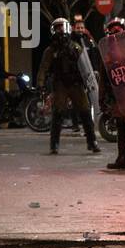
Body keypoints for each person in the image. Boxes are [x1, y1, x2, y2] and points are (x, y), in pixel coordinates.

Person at [36, 17, 100, 155]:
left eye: (61, 27)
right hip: (60, 85)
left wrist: (90, 80)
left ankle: (92, 142)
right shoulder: (50, 50)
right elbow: (43, 68)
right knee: (58, 113)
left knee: (85, 112)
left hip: (76, 84)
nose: (60, 30)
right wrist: (40, 84)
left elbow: (85, 66)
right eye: (57, 28)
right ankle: (54, 144)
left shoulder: (76, 47)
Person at [96, 17, 125, 171]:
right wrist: (101, 97)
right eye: (112, 29)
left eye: (118, 29)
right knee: (121, 128)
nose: (115, 32)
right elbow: (103, 78)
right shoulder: (107, 53)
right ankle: (122, 158)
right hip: (116, 95)